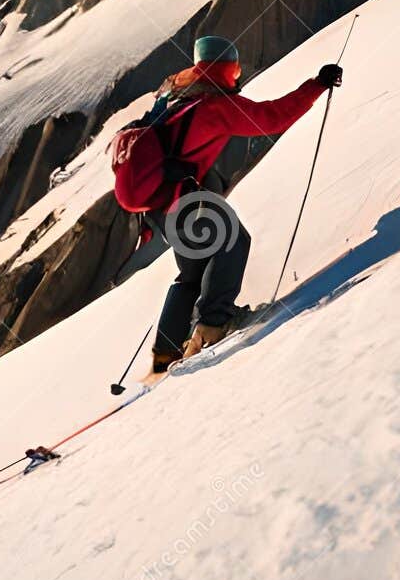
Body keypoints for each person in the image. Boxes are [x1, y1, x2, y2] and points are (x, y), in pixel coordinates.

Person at [146, 35, 343, 371]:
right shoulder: (214, 105)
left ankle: (166, 353)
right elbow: (271, 118)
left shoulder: (177, 96)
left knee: (194, 270)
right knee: (233, 242)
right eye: (235, 70)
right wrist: (317, 85)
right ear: (227, 69)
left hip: (158, 204)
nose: (237, 76)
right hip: (186, 198)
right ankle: (214, 325)